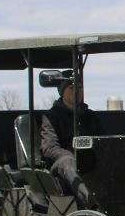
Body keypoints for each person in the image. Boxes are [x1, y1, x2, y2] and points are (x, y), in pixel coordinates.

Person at [39, 76, 100, 206]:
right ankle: (90, 202)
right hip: (63, 166)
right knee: (68, 161)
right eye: (72, 88)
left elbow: (102, 140)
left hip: (88, 160)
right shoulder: (51, 116)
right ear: (62, 92)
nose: (76, 91)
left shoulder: (91, 116)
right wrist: (68, 154)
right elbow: (49, 148)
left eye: (79, 88)